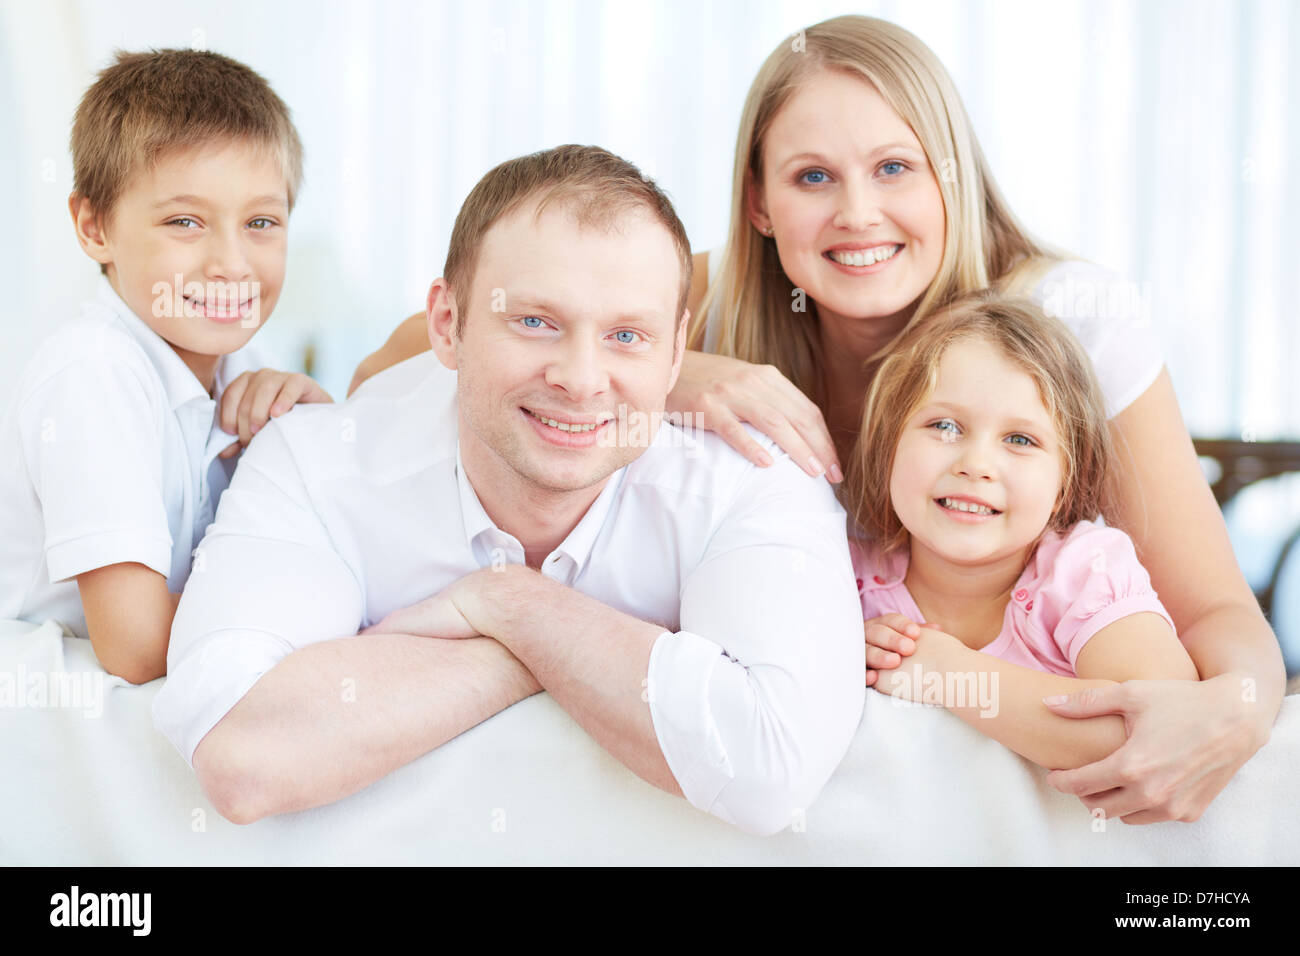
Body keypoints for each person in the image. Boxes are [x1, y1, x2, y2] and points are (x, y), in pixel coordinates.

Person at [352, 15, 1285, 824]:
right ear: (759, 203)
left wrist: (1241, 710)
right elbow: (402, 356)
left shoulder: (1069, 316)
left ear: (950, 177)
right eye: (811, 178)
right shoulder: (711, 298)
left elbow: (1214, 610)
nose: (857, 213)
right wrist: (674, 373)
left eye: (893, 167)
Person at [152, 145, 865, 836]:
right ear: (447, 324)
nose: (581, 379)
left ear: (678, 352)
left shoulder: (752, 475)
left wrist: (508, 604)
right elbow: (239, 754)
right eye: (534, 322)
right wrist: (559, 653)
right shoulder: (316, 460)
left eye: (627, 336)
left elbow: (771, 769)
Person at [0, 50, 330, 684]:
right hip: (50, 728)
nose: (231, 263)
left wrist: (313, 435)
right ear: (94, 226)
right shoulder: (93, 371)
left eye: (261, 222)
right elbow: (140, 648)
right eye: (185, 221)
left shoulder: (246, 365)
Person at [847, 292, 1199, 771]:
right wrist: (842, 658)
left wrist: (948, 672)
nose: (976, 464)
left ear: (1064, 482)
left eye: (1020, 439)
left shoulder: (1082, 573)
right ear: (890, 447)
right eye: (945, 425)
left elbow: (1159, 727)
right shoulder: (842, 580)